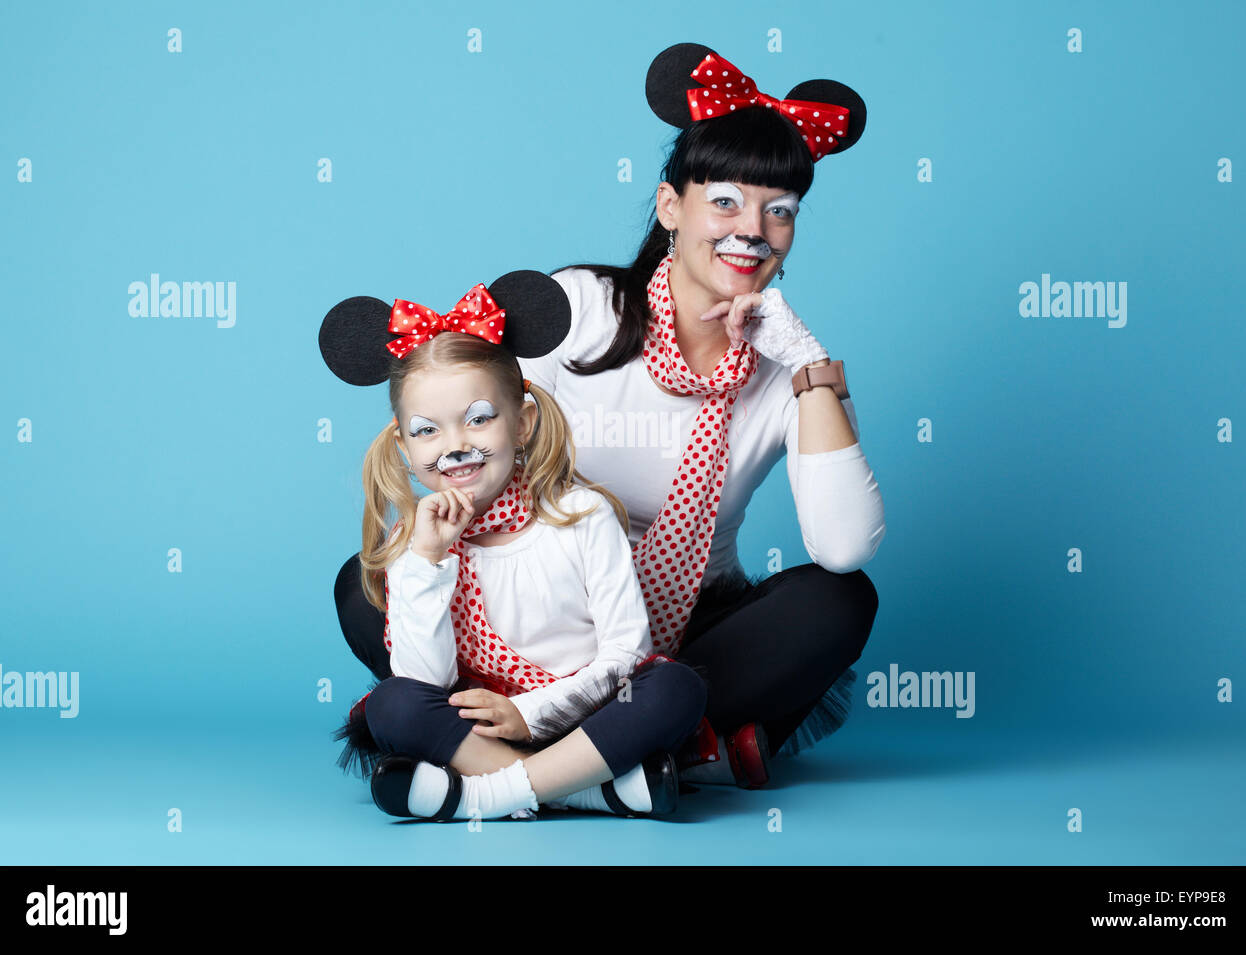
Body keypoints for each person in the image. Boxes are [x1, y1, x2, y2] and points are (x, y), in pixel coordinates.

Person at [333, 43, 885, 789]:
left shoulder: (788, 363)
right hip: (535, 601)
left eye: (778, 211)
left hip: (685, 629)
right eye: (724, 200)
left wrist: (806, 361)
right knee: (363, 583)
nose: (751, 228)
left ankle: (519, 763)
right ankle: (604, 771)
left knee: (838, 600)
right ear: (670, 207)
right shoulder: (580, 311)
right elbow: (474, 428)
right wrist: (437, 552)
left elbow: (845, 543)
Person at [319, 271, 707, 820]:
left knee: (673, 688)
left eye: (479, 420)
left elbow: (626, 655)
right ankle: (590, 792)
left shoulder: (582, 516)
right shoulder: (416, 543)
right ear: (403, 444)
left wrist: (529, 713)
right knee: (393, 704)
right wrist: (428, 561)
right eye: (428, 431)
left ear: (521, 423)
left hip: (587, 721)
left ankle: (482, 794)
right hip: (477, 730)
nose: (456, 446)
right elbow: (426, 684)